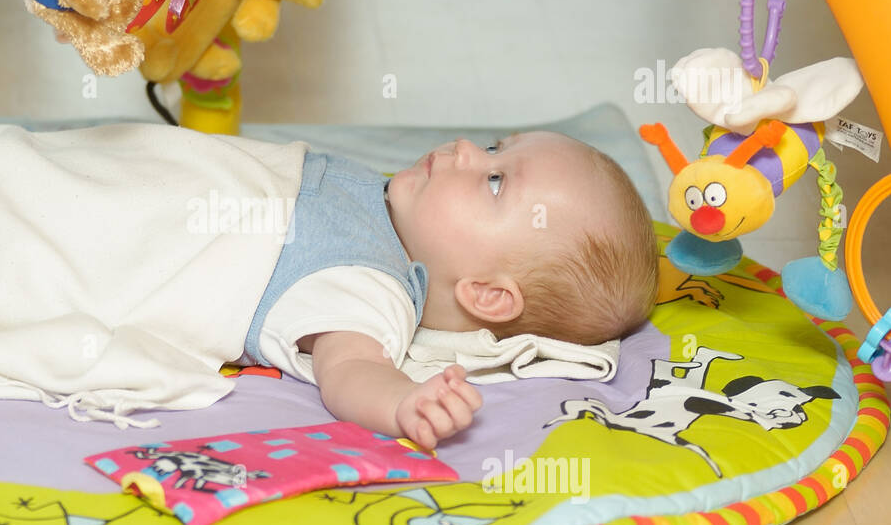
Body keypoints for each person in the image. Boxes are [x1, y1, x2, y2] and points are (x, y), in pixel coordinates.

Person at [238, 131, 660, 450]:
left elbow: (351, 369)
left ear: (487, 294)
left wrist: (405, 404)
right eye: (494, 147)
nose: (464, 147)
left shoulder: (372, 288)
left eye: (495, 180)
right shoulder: (382, 195)